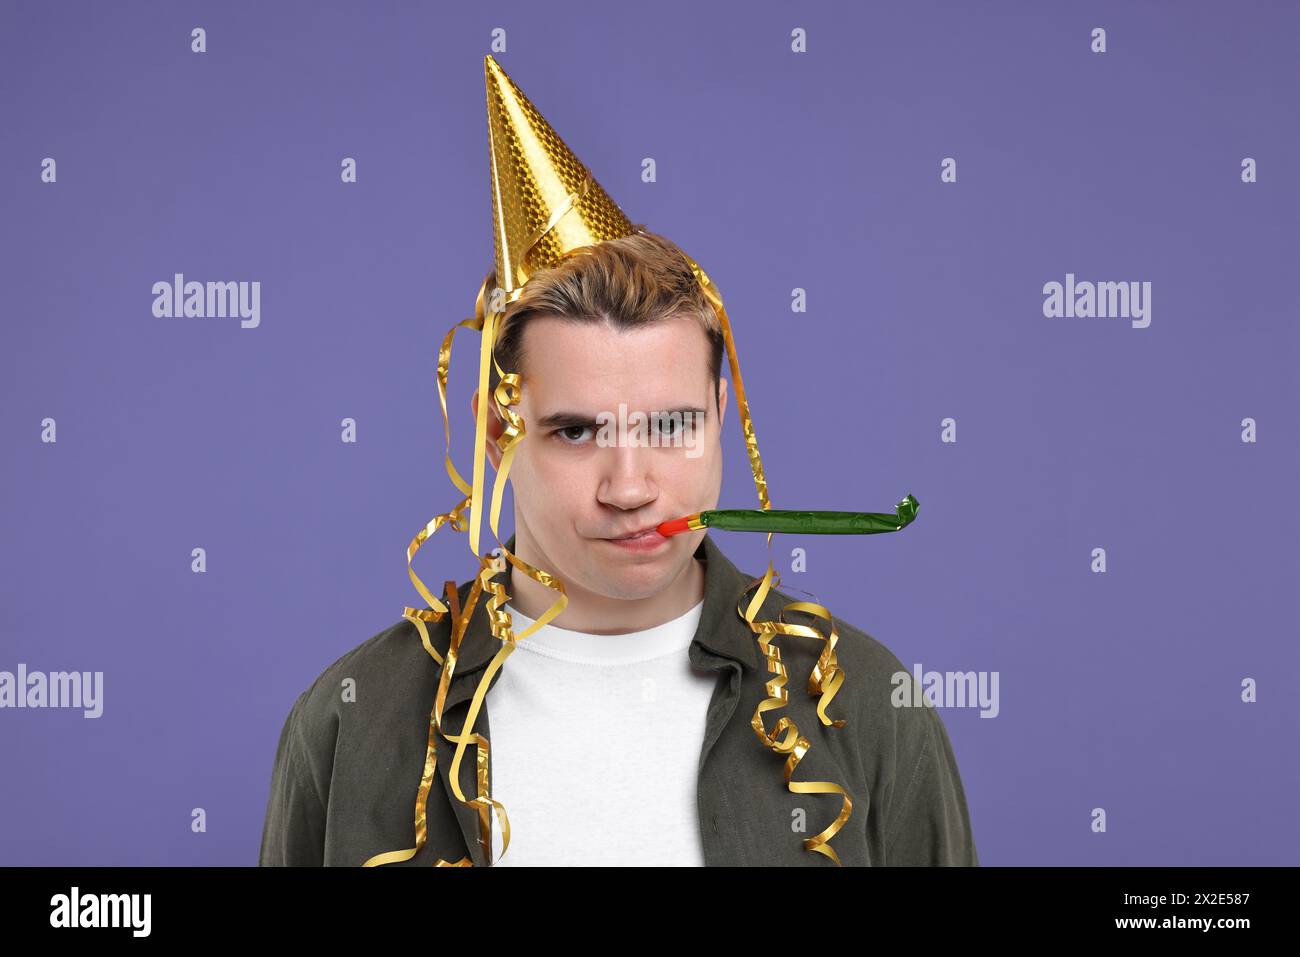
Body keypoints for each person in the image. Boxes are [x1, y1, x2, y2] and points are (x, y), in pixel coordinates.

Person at [258, 55, 977, 868]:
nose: (630, 487)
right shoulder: (351, 721)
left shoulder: (863, 705)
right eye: (576, 431)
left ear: (721, 415)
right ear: (497, 433)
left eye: (671, 426)